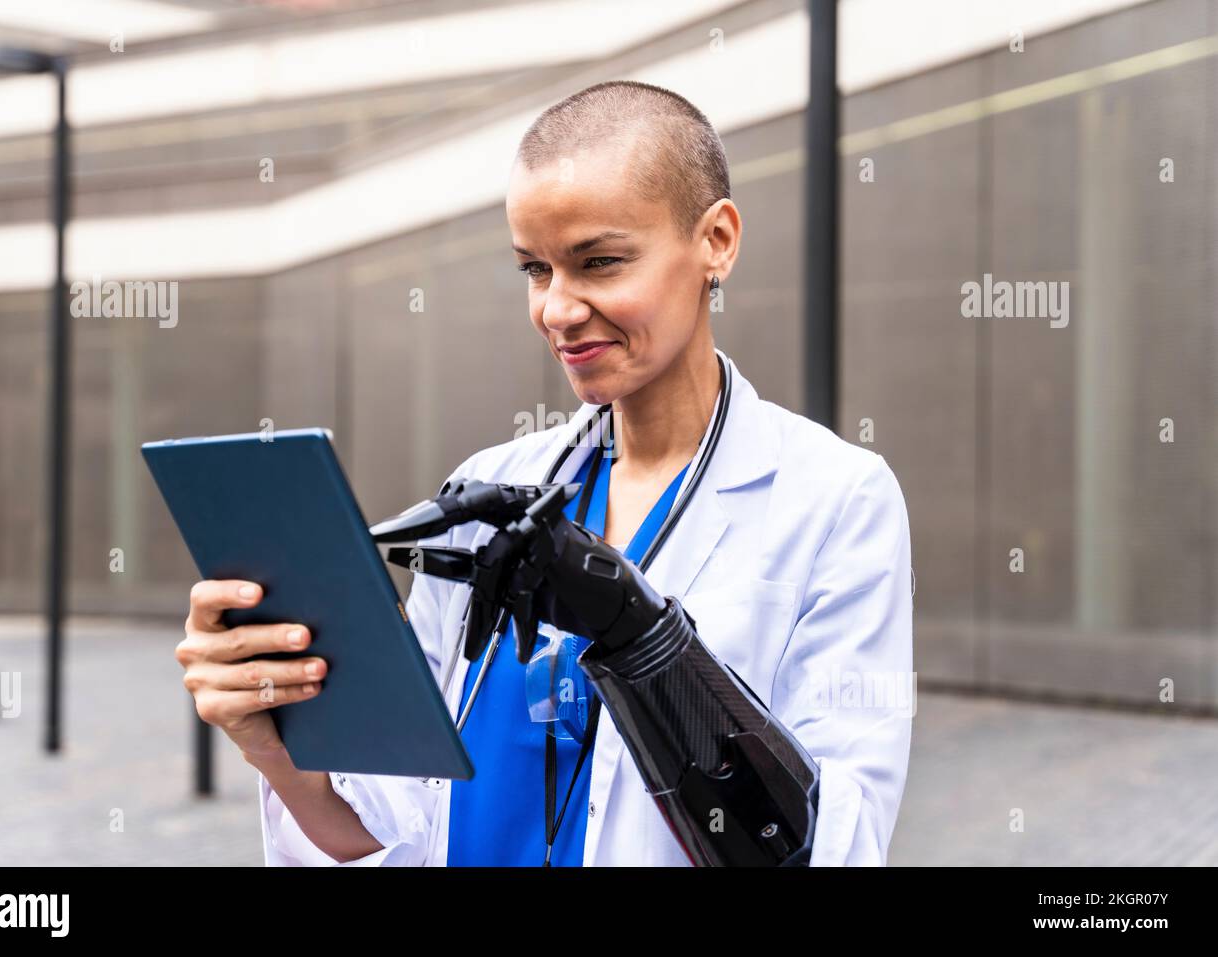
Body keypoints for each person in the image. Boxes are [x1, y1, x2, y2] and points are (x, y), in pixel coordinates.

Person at [175, 80, 913, 866]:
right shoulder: (489, 492)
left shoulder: (837, 501)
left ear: (717, 241)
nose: (557, 309)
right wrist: (273, 743)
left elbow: (833, 846)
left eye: (599, 262)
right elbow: (396, 825)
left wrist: (645, 641)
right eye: (535, 268)